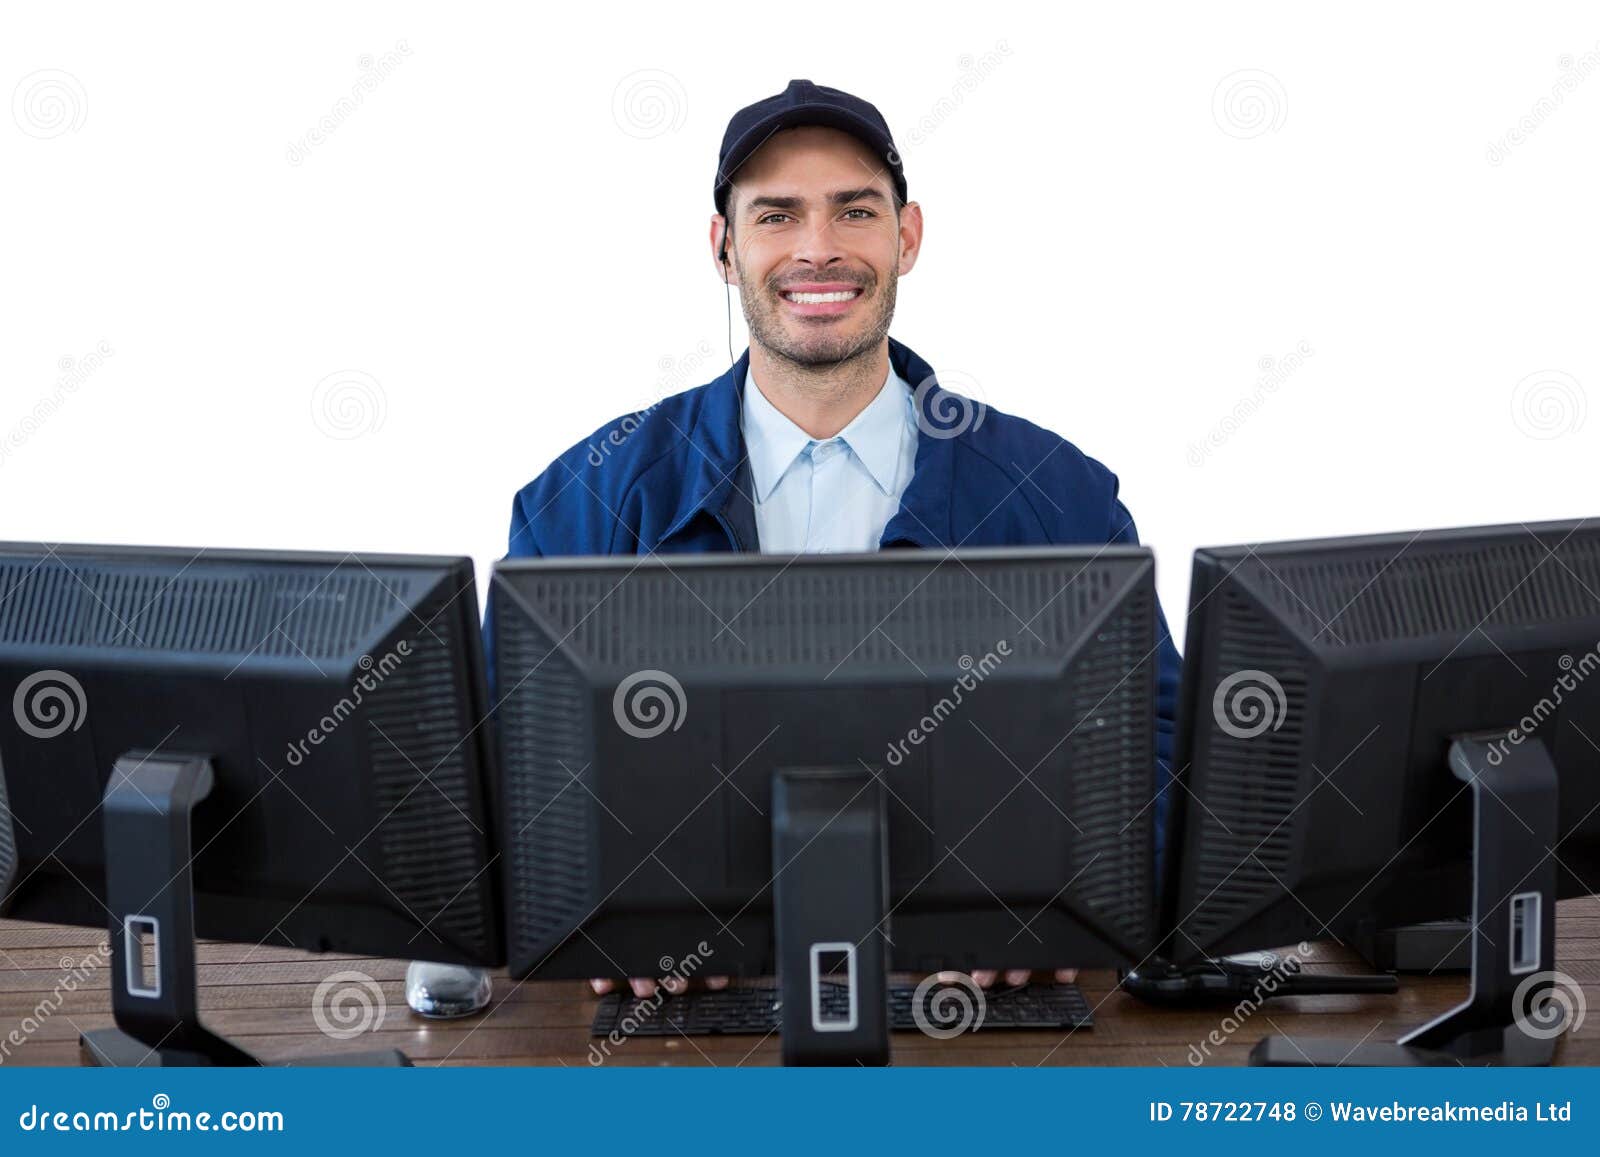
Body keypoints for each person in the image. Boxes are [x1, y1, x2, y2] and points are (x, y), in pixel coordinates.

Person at [411, 79, 1180, 1014]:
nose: (819, 248)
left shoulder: (1058, 495)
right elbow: (499, 782)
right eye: (777, 215)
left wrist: (1062, 904)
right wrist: (597, 916)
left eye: (855, 211)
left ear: (906, 238)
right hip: (677, 1036)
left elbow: (1162, 757)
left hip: (979, 1016)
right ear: (724, 249)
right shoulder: (583, 500)